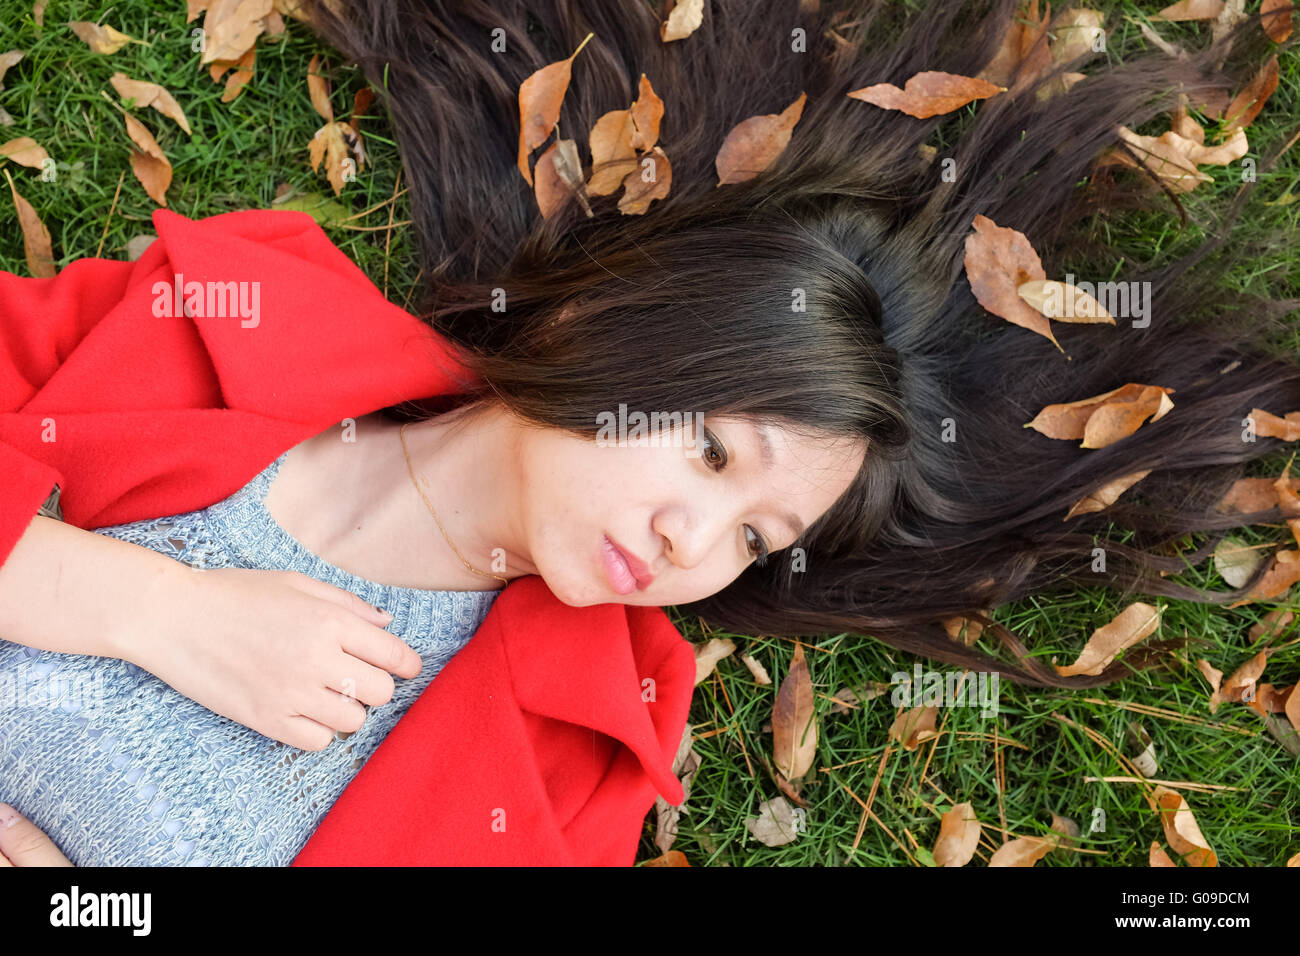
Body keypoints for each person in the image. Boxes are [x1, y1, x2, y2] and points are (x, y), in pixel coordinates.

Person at [1, 0, 1296, 865]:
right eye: (716, 454)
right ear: (623, 326)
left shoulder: (578, 754)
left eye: (754, 534)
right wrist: (147, 610)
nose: (695, 539)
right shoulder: (241, 312)